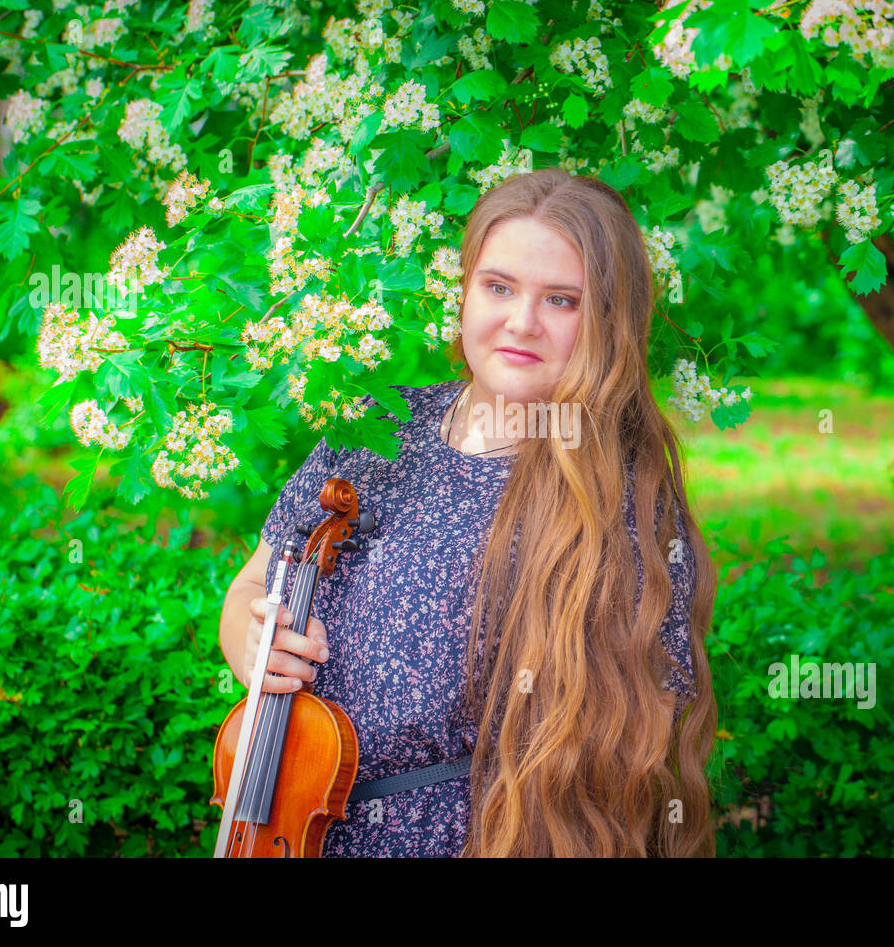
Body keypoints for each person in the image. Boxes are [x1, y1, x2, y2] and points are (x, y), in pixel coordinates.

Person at [218, 168, 717, 857]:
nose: (522, 322)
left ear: (607, 319)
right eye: (499, 286)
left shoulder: (619, 494)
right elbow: (252, 586)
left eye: (562, 300)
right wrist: (250, 640)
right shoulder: (378, 425)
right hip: (298, 820)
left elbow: (636, 722)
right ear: (465, 290)